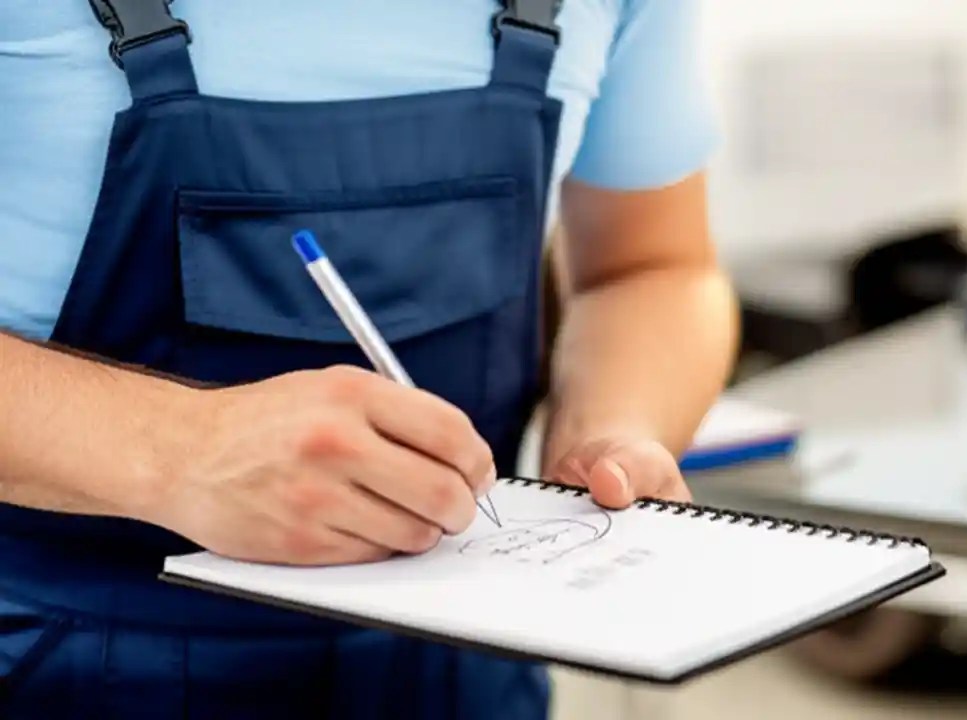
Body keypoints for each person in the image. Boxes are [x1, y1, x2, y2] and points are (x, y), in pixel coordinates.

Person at [0, 1, 738, 717]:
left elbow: (653, 268)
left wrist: (613, 427)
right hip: (54, 658)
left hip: (465, 669)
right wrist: (178, 450)